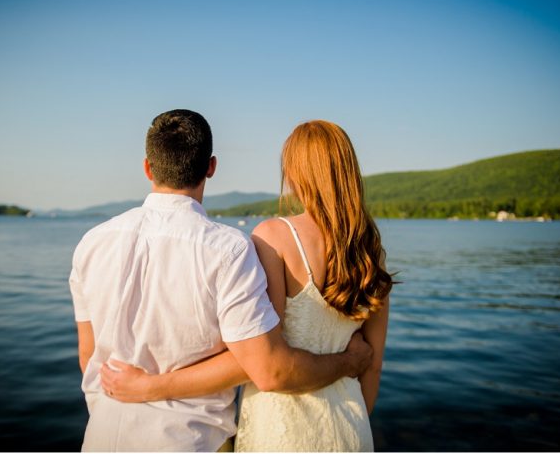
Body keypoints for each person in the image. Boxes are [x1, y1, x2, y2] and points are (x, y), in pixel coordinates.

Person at [69, 110, 373, 452]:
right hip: (192, 440)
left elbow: (89, 355)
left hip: (103, 435)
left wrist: (127, 400)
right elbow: (263, 365)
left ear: (147, 168)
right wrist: (349, 362)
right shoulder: (228, 250)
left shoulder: (91, 244)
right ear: (211, 167)